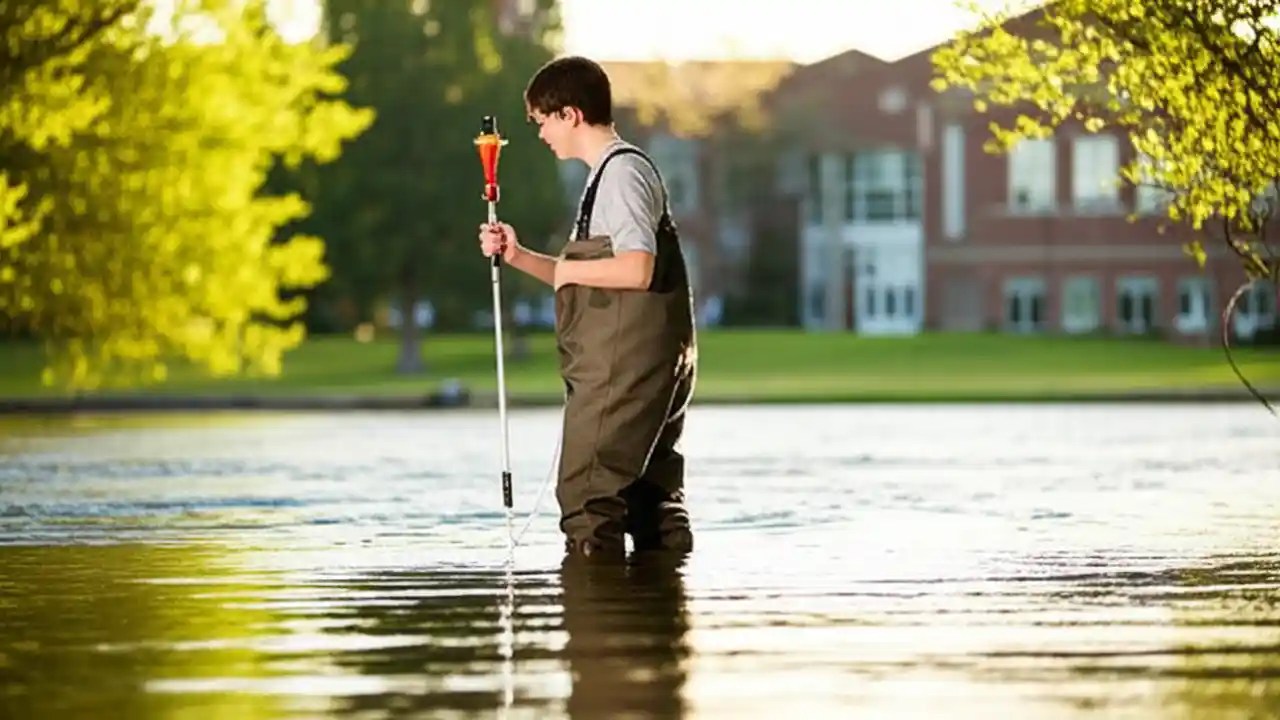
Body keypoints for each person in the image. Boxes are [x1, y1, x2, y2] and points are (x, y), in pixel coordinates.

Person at [477, 56, 697, 561]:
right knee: (649, 500)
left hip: (624, 370)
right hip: (634, 365)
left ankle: (596, 630)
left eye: (542, 121)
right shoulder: (609, 175)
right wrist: (516, 255)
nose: (540, 134)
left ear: (571, 115)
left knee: (587, 500)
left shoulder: (621, 175)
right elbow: (577, 273)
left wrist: (569, 270)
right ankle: (651, 628)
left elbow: (636, 269)